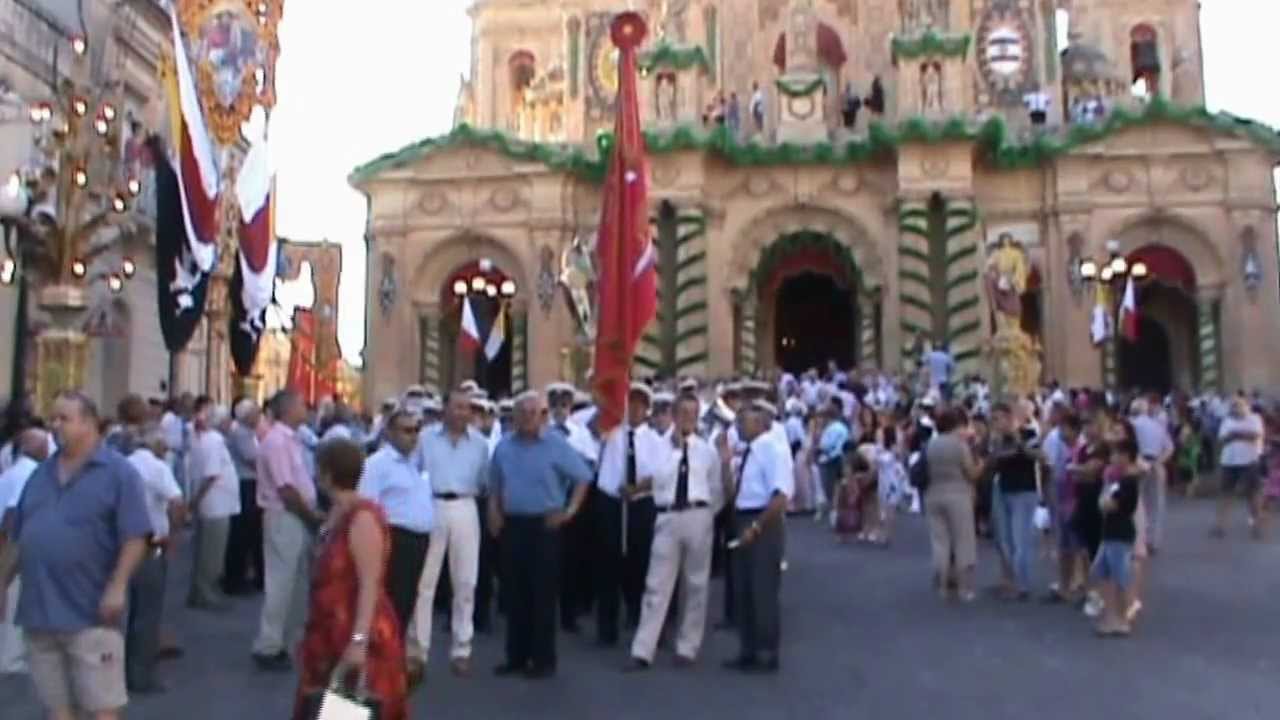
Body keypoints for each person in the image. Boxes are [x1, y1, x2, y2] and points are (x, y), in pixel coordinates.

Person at [0, 392, 152, 720]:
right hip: (40, 612)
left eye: (64, 419)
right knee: (57, 708)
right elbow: (20, 534)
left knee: (101, 706)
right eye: (52, 418)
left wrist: (118, 585)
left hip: (90, 611)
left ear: (89, 422)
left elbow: (136, 535)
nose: (55, 426)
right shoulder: (40, 474)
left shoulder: (118, 473)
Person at [292, 440, 407, 720]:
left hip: (358, 628)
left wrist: (358, 642)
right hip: (327, 630)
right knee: (321, 710)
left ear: (328, 474)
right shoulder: (337, 513)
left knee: (353, 709)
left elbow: (370, 584)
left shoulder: (363, 518)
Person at [488, 392, 592, 679]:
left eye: (534, 413)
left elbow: (583, 477)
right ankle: (516, 657)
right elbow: (494, 482)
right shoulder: (504, 447)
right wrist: (494, 511)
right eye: (523, 412)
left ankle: (543, 659)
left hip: (545, 526)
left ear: (544, 415)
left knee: (542, 595)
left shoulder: (557, 445)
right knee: (515, 593)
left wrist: (569, 511)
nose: (528, 418)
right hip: (513, 525)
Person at [625, 394, 726, 670]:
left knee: (695, 585)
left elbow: (716, 488)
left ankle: (688, 647)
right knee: (657, 584)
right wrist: (675, 450)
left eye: (692, 414)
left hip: (697, 514)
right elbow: (656, 479)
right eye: (682, 412)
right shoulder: (660, 448)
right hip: (667, 515)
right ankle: (643, 650)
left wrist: (706, 515)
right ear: (673, 413)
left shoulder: (706, 451)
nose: (687, 418)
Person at [412, 390, 490, 678]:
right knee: (425, 582)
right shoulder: (425, 439)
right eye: (456, 406)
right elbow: (414, 472)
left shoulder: (480, 444)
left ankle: (462, 648)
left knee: (466, 581)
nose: (461, 413)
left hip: (465, 506)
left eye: (466, 408)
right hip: (431, 504)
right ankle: (418, 650)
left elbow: (485, 481)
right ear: (445, 408)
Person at [252, 390, 323, 671]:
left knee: (293, 582)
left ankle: (281, 640)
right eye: (302, 404)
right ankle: (269, 645)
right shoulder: (278, 441)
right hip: (286, 516)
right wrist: (311, 516)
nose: (306, 409)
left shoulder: (291, 440)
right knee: (281, 582)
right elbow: (286, 488)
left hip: (293, 516)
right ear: (288, 409)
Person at [356, 405, 431, 668]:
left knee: (405, 603)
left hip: (417, 541)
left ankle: (390, 657)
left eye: (416, 430)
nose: (413, 436)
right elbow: (367, 507)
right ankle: (376, 661)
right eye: (406, 430)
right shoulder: (377, 465)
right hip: (395, 539)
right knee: (389, 604)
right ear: (389, 433)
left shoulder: (413, 462)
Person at [593, 384, 665, 646]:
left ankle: (638, 620)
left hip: (640, 505)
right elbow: (594, 423)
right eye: (630, 403)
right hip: (611, 502)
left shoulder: (655, 441)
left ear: (647, 409)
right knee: (608, 566)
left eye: (640, 404)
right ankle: (606, 627)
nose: (634, 409)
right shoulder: (611, 432)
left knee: (641, 564)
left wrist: (637, 488)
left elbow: (660, 475)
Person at [722, 401, 791, 673]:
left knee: (763, 588)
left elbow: (780, 496)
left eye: (745, 422)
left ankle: (767, 651)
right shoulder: (745, 453)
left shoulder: (772, 451)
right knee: (743, 589)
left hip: (763, 521)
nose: (739, 426)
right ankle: (747, 648)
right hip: (741, 515)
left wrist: (756, 527)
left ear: (762, 424)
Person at [124, 428, 184, 693]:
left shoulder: (123, 465)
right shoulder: (157, 468)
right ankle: (141, 676)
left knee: (128, 612)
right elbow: (176, 502)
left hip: (123, 544)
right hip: (151, 545)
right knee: (148, 612)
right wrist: (174, 533)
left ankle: (122, 671)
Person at [0, 427, 50, 675]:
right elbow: (12, 513)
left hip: (11, 542)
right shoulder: (29, 473)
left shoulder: (14, 470)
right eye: (44, 445)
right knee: (13, 598)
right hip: (14, 544)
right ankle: (10, 658)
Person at [186, 400, 241, 611]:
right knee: (212, 553)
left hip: (215, 503)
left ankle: (200, 591)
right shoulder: (214, 440)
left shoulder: (205, 439)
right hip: (216, 504)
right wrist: (195, 501)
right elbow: (211, 474)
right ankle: (205, 593)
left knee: (206, 551)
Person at [924, 408, 982, 602]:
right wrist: (982, 465)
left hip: (933, 493)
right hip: (958, 494)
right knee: (963, 541)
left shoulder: (931, 445)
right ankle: (964, 588)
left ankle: (942, 585)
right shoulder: (960, 445)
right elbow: (971, 473)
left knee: (940, 542)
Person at [989, 402, 1041, 600]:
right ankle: (1010, 579)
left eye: (998, 419)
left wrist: (1018, 442)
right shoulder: (997, 440)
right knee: (1005, 538)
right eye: (993, 419)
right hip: (1003, 489)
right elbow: (992, 460)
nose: (995, 423)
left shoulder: (1028, 434)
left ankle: (1023, 584)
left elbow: (1038, 456)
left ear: (1010, 418)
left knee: (1021, 539)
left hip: (1024, 491)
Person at [1092, 438, 1141, 637]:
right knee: (1102, 573)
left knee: (1120, 576)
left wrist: (1104, 501)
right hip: (1109, 531)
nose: (1112, 458)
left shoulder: (1128, 482)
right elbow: (1103, 503)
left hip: (1120, 532)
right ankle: (1109, 615)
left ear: (1126, 457)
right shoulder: (1116, 481)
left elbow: (1110, 505)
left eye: (1116, 454)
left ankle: (1122, 618)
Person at [223, 398, 264, 595]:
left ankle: (243, 575)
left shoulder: (248, 432)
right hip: (245, 483)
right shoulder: (241, 433)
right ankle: (235, 578)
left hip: (249, 483)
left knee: (249, 531)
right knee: (242, 532)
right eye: (256, 413)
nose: (259, 417)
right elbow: (253, 459)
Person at [1212, 396, 1266, 539]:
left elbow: (1255, 435)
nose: (1236, 408)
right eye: (1234, 405)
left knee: (1252, 495)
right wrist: (1239, 435)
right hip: (1229, 462)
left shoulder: (1255, 419)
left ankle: (1256, 525)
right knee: (1225, 494)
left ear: (1247, 406)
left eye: (1239, 405)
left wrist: (1235, 434)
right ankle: (1220, 526)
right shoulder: (1227, 421)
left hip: (1249, 461)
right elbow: (1222, 439)